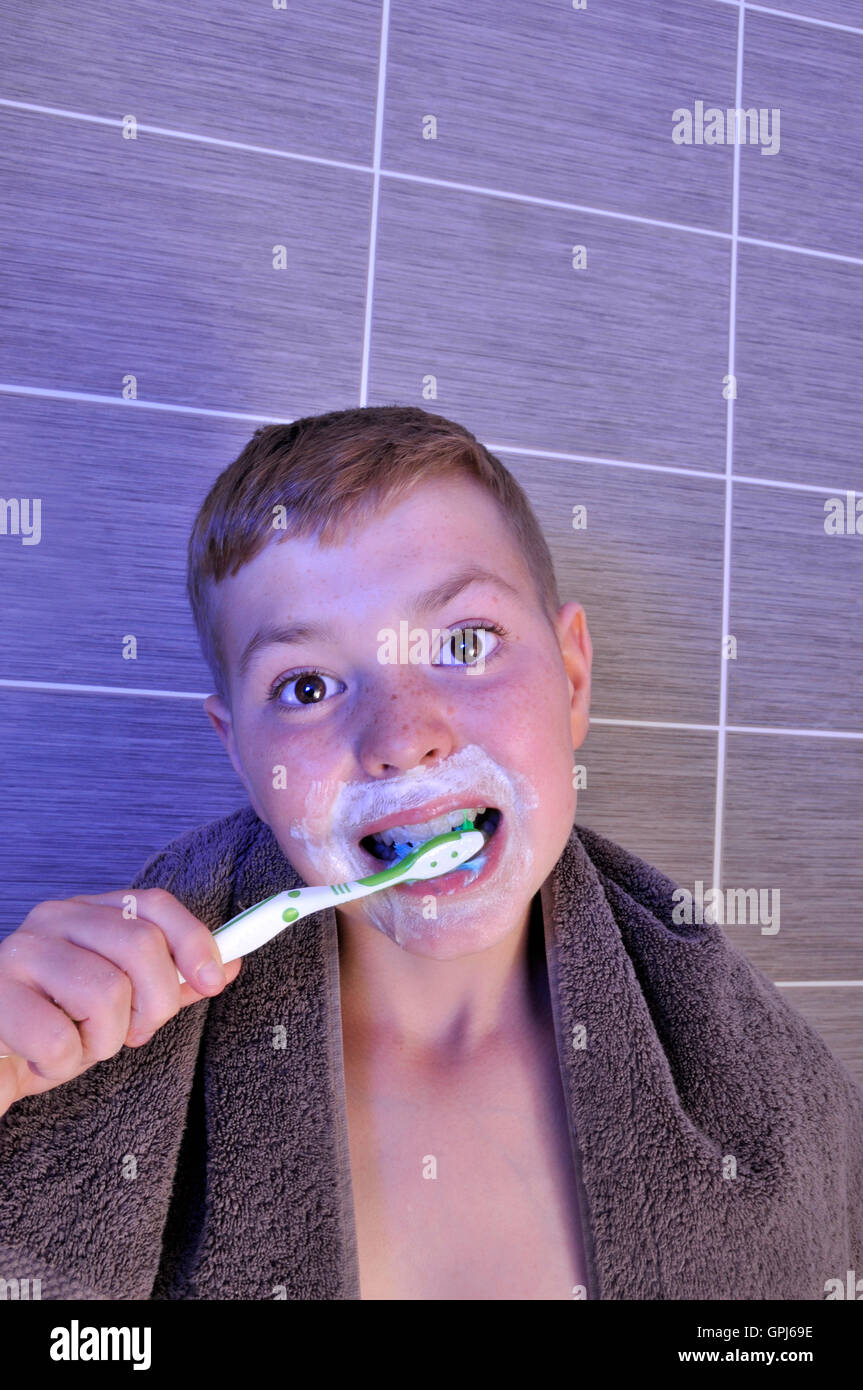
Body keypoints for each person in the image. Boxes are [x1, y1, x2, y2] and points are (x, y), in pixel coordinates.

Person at [1, 405, 861, 1301]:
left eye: (462, 643)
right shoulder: (82, 1063)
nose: (403, 738)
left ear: (570, 679)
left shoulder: (769, 1103)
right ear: (241, 757)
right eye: (305, 686)